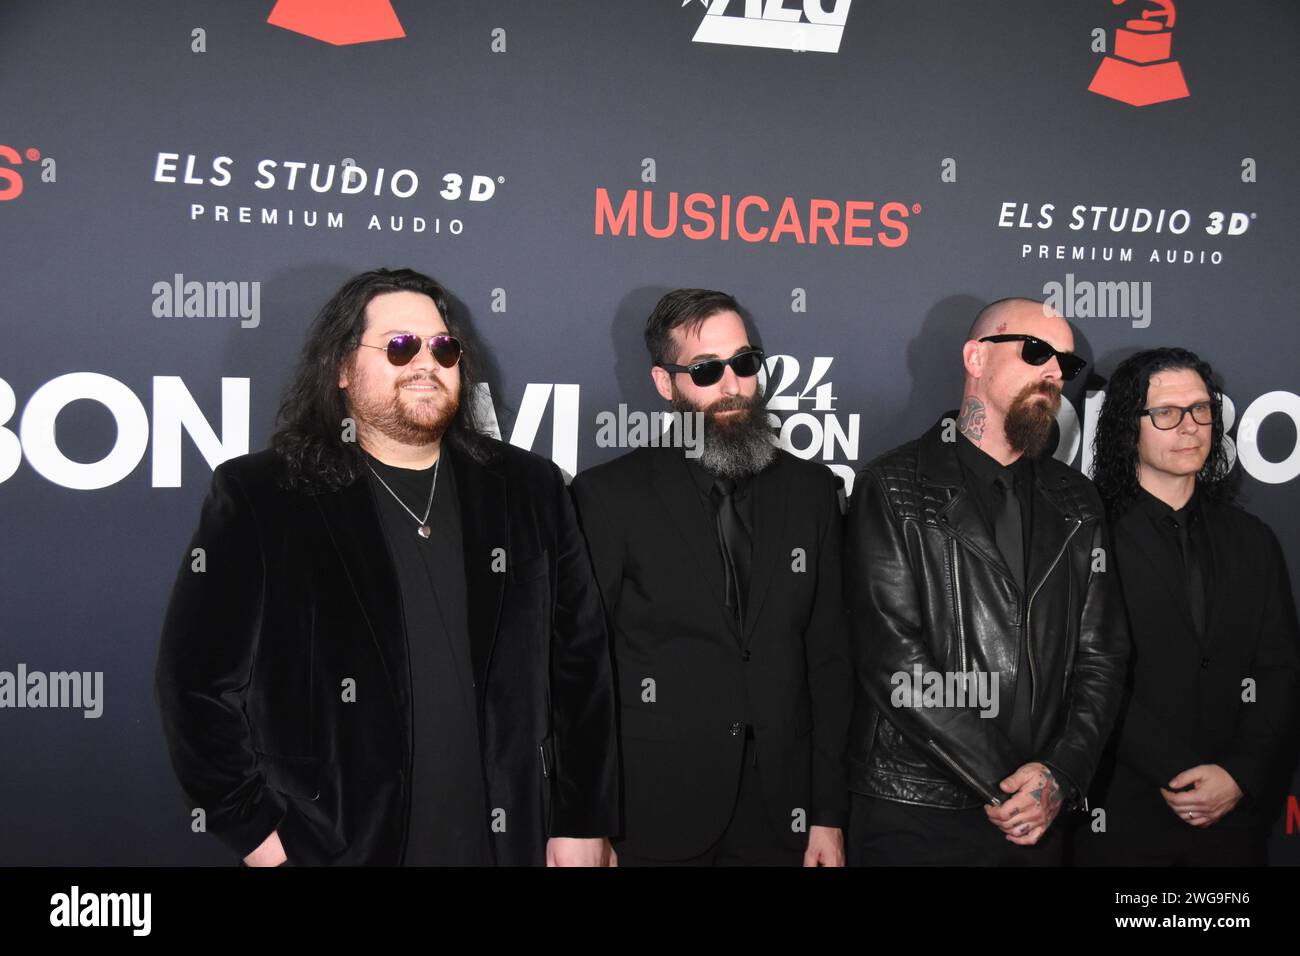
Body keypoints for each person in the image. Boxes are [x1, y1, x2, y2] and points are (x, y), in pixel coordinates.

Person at [155, 267, 618, 866]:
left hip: (510, 842)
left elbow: (581, 668)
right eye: (400, 345)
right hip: (339, 844)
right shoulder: (264, 495)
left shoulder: (528, 488)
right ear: (342, 369)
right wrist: (259, 836)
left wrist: (581, 820)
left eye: (443, 347)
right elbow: (193, 683)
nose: (426, 362)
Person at [571, 289, 852, 866]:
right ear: (663, 382)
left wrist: (827, 814)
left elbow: (830, 661)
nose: (732, 386)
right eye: (706, 370)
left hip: (783, 817)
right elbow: (581, 672)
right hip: (652, 815)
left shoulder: (812, 492)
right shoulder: (609, 498)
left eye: (745, 364)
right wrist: (586, 818)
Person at [844, 297, 1128, 865]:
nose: (1054, 373)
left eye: (1066, 365)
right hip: (917, 810)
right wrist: (1010, 782)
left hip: (1038, 814)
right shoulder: (894, 486)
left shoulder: (1076, 501)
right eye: (1036, 351)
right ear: (975, 356)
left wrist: (1058, 774)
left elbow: (1103, 655)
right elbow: (895, 662)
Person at [1075, 347, 1299, 866]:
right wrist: (1176, 772)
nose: (1190, 427)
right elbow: (1083, 674)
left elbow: (1280, 669)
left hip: (1234, 825)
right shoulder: (1086, 534)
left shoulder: (1252, 539)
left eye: (1201, 410)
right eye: (1167, 413)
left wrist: (1238, 775)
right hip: (1120, 813)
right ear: (1130, 426)